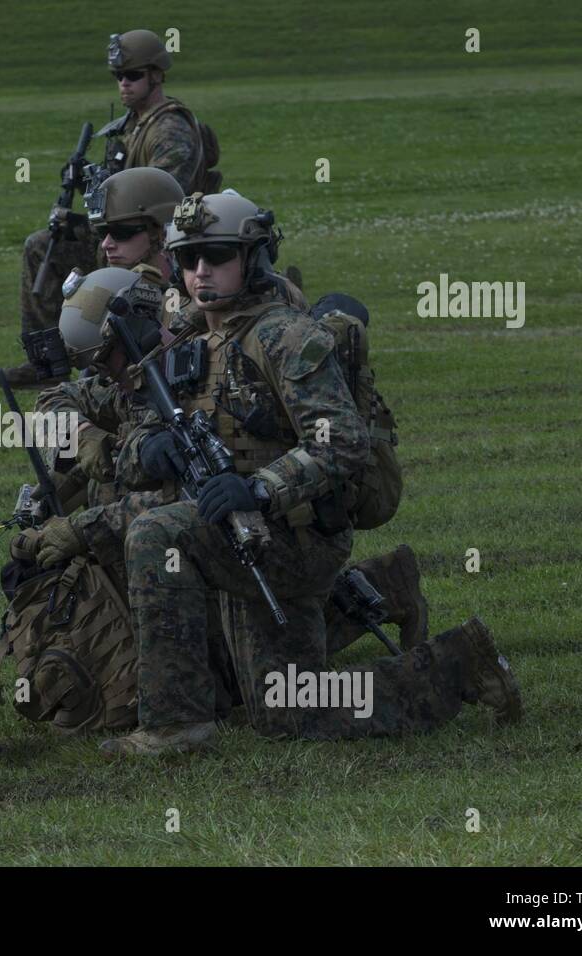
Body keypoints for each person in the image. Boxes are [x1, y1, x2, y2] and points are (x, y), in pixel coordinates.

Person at [97, 192, 522, 756]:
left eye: (218, 255)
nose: (202, 271)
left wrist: (259, 486)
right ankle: (460, 663)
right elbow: (133, 441)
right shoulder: (188, 341)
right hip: (236, 534)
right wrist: (149, 452)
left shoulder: (285, 337)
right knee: (290, 711)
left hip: (293, 537)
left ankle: (175, 726)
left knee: (155, 532)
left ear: (252, 258)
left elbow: (339, 440)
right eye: (190, 257)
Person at [0, 29, 218, 388]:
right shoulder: (132, 125)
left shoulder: (170, 129)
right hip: (129, 227)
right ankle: (45, 363)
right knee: (41, 245)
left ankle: (104, 351)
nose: (124, 84)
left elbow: (160, 199)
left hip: (161, 237)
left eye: (133, 75)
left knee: (114, 248)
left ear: (156, 75)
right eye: (119, 76)